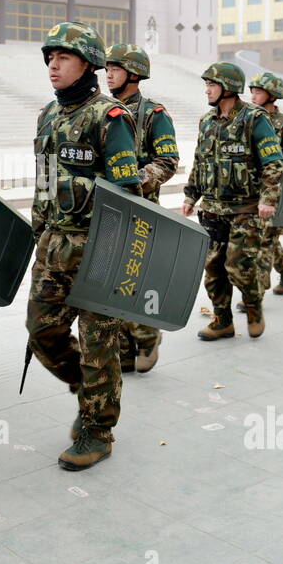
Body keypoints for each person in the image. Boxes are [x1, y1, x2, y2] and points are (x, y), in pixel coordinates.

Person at [28, 21, 141, 471]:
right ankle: (86, 389)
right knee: (42, 332)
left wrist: (76, 189)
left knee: (99, 344)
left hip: (99, 248)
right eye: (50, 58)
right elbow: (42, 181)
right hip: (54, 247)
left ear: (88, 64)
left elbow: (127, 189)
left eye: (64, 58)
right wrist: (38, 229)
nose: (54, 66)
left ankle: (98, 429)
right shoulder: (47, 116)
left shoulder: (109, 117)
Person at [182, 62, 283, 341]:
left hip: (246, 209)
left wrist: (268, 198)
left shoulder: (254, 118)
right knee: (213, 270)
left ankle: (253, 307)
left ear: (228, 88)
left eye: (211, 85)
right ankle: (222, 321)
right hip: (212, 209)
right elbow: (199, 160)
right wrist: (191, 195)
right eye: (206, 85)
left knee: (239, 265)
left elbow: (274, 162)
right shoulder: (207, 121)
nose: (207, 90)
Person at [103, 43, 178, 374]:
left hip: (142, 212)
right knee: (111, 283)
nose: (108, 75)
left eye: (114, 69)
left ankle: (147, 337)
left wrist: (135, 179)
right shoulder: (101, 111)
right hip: (107, 211)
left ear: (134, 74)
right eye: (106, 69)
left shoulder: (153, 114)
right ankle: (122, 345)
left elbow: (168, 160)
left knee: (135, 276)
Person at [249, 72, 283, 297]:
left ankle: (256, 293)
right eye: (252, 91)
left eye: (258, 92)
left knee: (264, 241)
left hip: (277, 192)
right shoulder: (248, 118)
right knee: (265, 236)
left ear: (272, 95)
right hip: (251, 191)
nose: (253, 96)